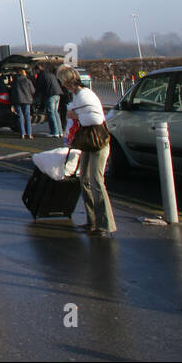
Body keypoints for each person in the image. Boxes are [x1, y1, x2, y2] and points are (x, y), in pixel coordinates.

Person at [59, 65, 116, 236]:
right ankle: (93, 221)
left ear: (66, 81)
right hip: (91, 141)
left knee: (96, 181)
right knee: (84, 179)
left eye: (62, 81)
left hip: (96, 140)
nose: (62, 84)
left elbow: (96, 118)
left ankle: (105, 224)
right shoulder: (80, 94)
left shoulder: (84, 95)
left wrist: (76, 116)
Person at [35, 63, 62, 137]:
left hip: (50, 95)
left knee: (51, 113)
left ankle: (54, 132)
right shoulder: (50, 74)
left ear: (38, 70)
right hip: (58, 94)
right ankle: (60, 131)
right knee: (56, 113)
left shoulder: (41, 75)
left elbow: (38, 87)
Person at [11, 67, 36, 139]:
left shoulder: (15, 81)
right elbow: (33, 91)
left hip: (17, 100)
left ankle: (22, 133)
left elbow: (12, 91)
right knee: (27, 116)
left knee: (20, 116)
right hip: (27, 100)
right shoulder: (27, 81)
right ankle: (29, 134)